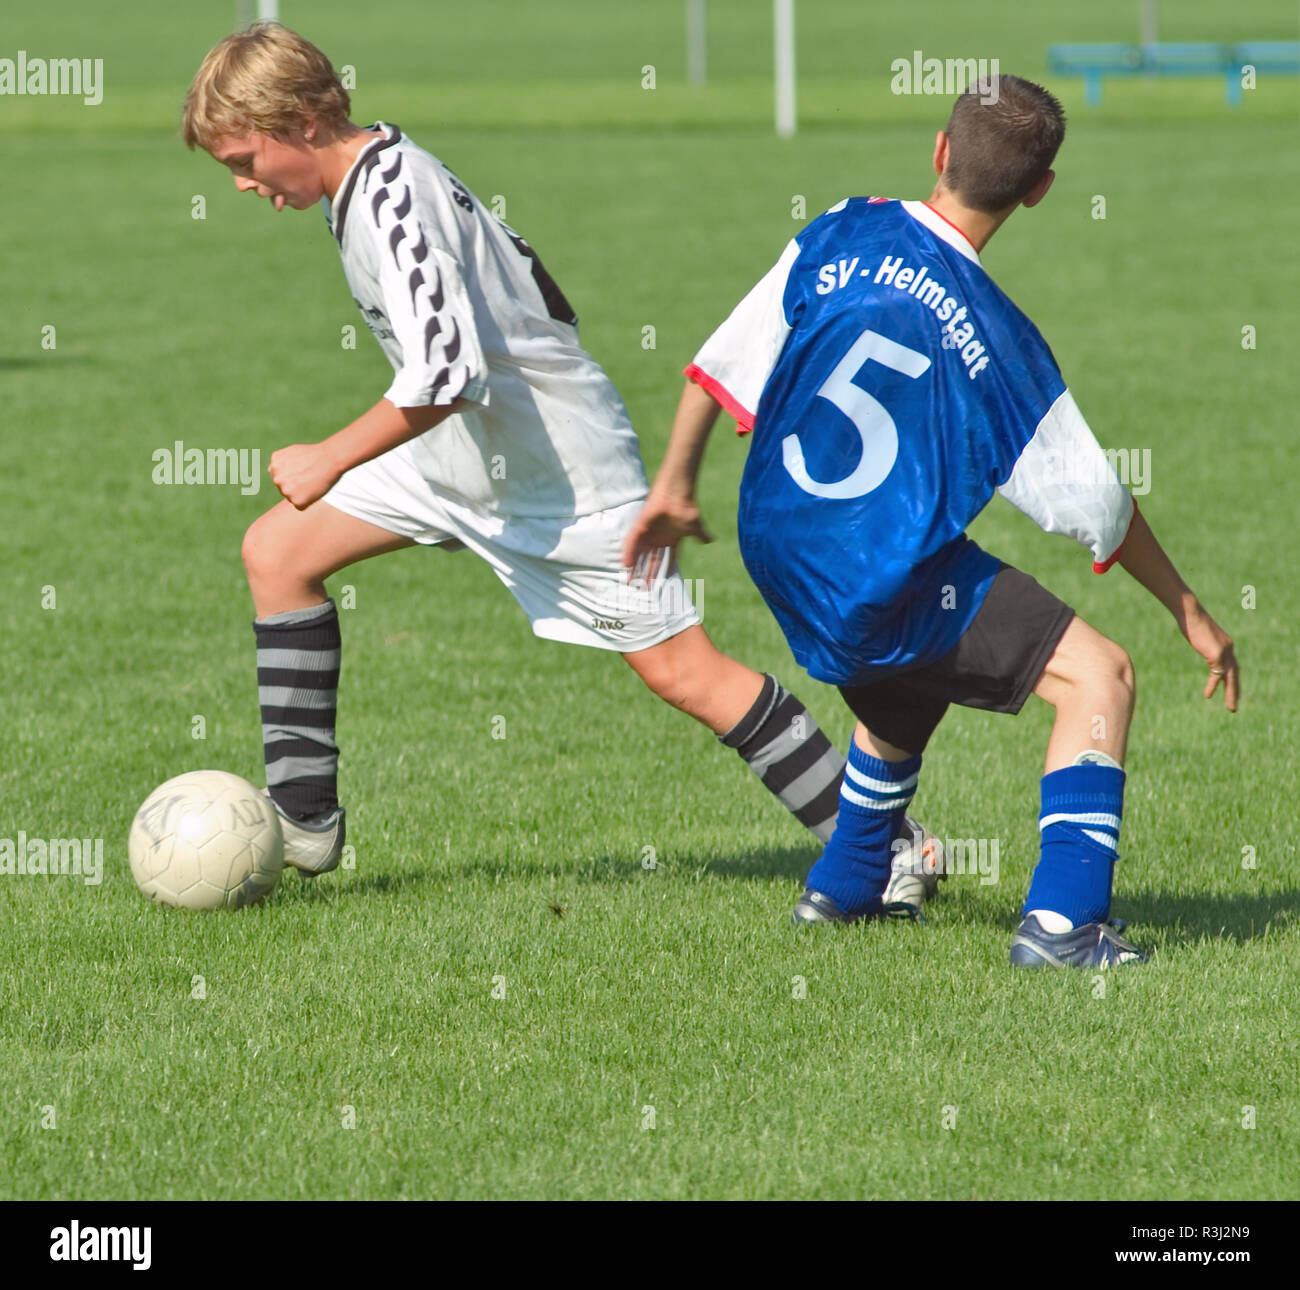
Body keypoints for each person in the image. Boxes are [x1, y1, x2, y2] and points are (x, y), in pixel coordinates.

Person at [180, 21, 944, 899]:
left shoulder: (394, 195)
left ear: (305, 122)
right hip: (453, 459)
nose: (242, 183)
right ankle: (305, 823)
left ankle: (892, 849)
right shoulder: (362, 185)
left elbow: (449, 371)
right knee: (277, 552)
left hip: (559, 475)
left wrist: (329, 456)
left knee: (685, 673)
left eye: (245, 159)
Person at [624, 75, 1239, 967]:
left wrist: (675, 485)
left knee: (909, 665)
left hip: (777, 544)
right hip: (874, 566)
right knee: (1099, 676)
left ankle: (845, 886)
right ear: (1038, 192)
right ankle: (1066, 926)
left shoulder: (841, 225)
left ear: (939, 152)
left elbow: (719, 364)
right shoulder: (1002, 338)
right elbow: (1098, 506)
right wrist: (1187, 607)